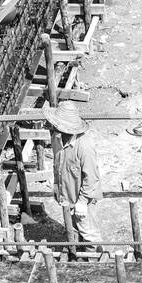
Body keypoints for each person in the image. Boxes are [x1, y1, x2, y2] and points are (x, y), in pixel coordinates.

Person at [46, 101, 103, 247]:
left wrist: (83, 202)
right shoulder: (57, 138)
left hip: (83, 200)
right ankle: (78, 253)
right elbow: (58, 166)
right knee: (74, 229)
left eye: (54, 123)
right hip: (67, 195)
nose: (51, 126)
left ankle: (95, 262)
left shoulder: (84, 146)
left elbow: (92, 179)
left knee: (89, 234)